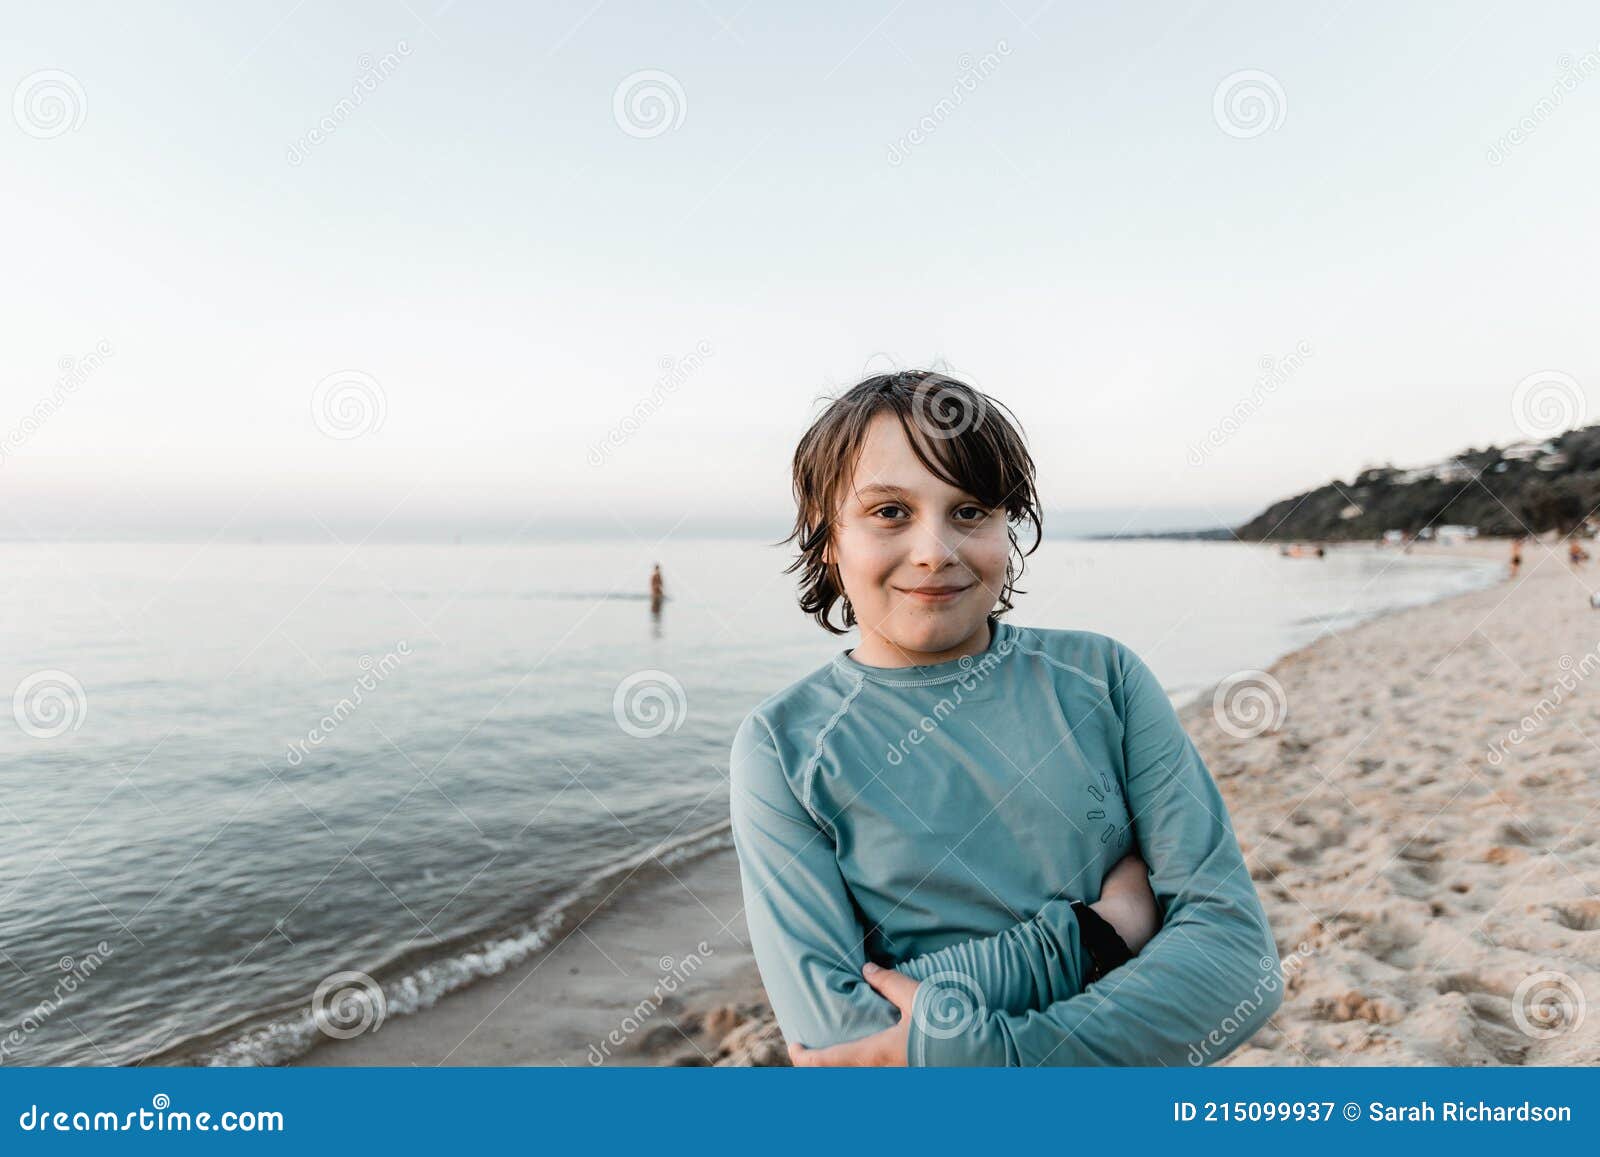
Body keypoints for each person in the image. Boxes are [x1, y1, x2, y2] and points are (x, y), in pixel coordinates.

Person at [727, 370, 1280, 1067]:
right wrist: (1098, 934)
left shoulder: (1104, 679)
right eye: (890, 511)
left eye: (969, 511)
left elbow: (1236, 962)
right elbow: (841, 1035)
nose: (935, 551)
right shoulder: (783, 746)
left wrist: (994, 1054)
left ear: (1007, 525)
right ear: (827, 535)